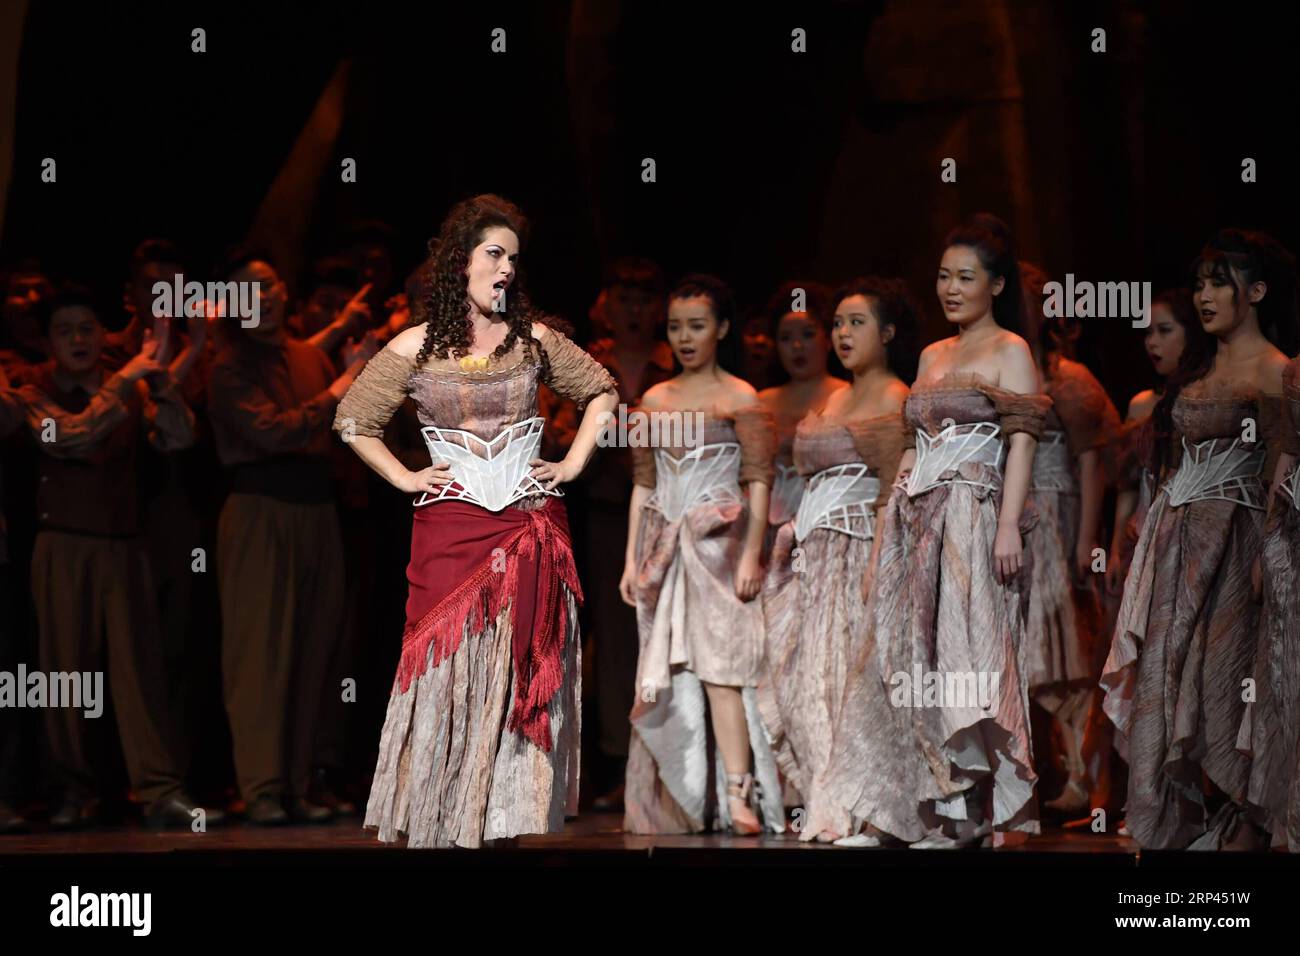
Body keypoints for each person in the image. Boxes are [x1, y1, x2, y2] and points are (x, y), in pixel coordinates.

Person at [333, 194, 618, 848]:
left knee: (515, 671)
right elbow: (352, 419)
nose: (506, 269)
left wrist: (572, 461)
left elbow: (601, 390)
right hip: (449, 529)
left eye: (514, 259)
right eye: (494, 253)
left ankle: (503, 825)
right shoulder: (414, 345)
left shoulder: (535, 340)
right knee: (446, 672)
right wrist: (405, 476)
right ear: (459, 261)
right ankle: (443, 820)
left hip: (527, 521)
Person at [822, 215, 1048, 848]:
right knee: (900, 656)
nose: (951, 288)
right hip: (914, 514)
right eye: (945, 276)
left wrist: (1008, 526)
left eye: (966, 278)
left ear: (996, 285)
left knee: (963, 656)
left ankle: (965, 808)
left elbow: (1023, 441)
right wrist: (886, 529)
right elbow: (913, 445)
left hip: (972, 516)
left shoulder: (1011, 351)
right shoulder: (930, 354)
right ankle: (905, 808)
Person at [1102, 229, 1298, 849]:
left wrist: (1272, 549)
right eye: (1202, 283)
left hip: (1236, 540)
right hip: (1176, 537)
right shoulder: (1198, 367)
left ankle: (1243, 816)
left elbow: (1281, 468)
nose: (1206, 295)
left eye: (1222, 283)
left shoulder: (1275, 370)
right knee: (1166, 671)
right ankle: (1173, 815)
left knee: (1226, 675)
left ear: (1258, 292)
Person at [18, 284, 220, 829]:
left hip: (126, 545)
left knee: (140, 673)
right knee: (63, 672)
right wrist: (130, 376)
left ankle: (159, 791)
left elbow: (178, 439)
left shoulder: (128, 387)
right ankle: (70, 790)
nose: (79, 339)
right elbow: (66, 437)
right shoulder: (32, 389)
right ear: (49, 342)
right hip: (61, 544)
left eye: (87, 328)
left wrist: (164, 379)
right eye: (65, 330)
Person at [207, 251, 375, 826]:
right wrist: (341, 386)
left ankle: (301, 781)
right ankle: (261, 786)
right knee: (261, 655)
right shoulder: (229, 365)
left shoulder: (303, 353)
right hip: (261, 510)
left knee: (315, 650)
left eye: (269, 287)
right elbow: (270, 431)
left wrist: (346, 364)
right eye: (246, 293)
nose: (263, 299)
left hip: (314, 508)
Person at [619, 274, 785, 835]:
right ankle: (682, 799)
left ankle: (741, 793)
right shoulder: (655, 399)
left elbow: (759, 480)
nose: (684, 338)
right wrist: (628, 561)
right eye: (675, 327)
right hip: (663, 548)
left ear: (722, 329)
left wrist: (750, 556)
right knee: (668, 670)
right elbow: (644, 484)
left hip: (717, 548)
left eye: (696, 326)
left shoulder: (740, 396)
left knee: (723, 669)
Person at [759, 277, 913, 841]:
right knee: (811, 683)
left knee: (855, 681)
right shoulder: (834, 398)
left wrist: (879, 563)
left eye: (858, 323)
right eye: (840, 324)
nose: (845, 334)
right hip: (815, 555)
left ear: (889, 332)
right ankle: (831, 805)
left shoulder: (896, 397)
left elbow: (892, 491)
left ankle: (871, 809)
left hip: (857, 553)